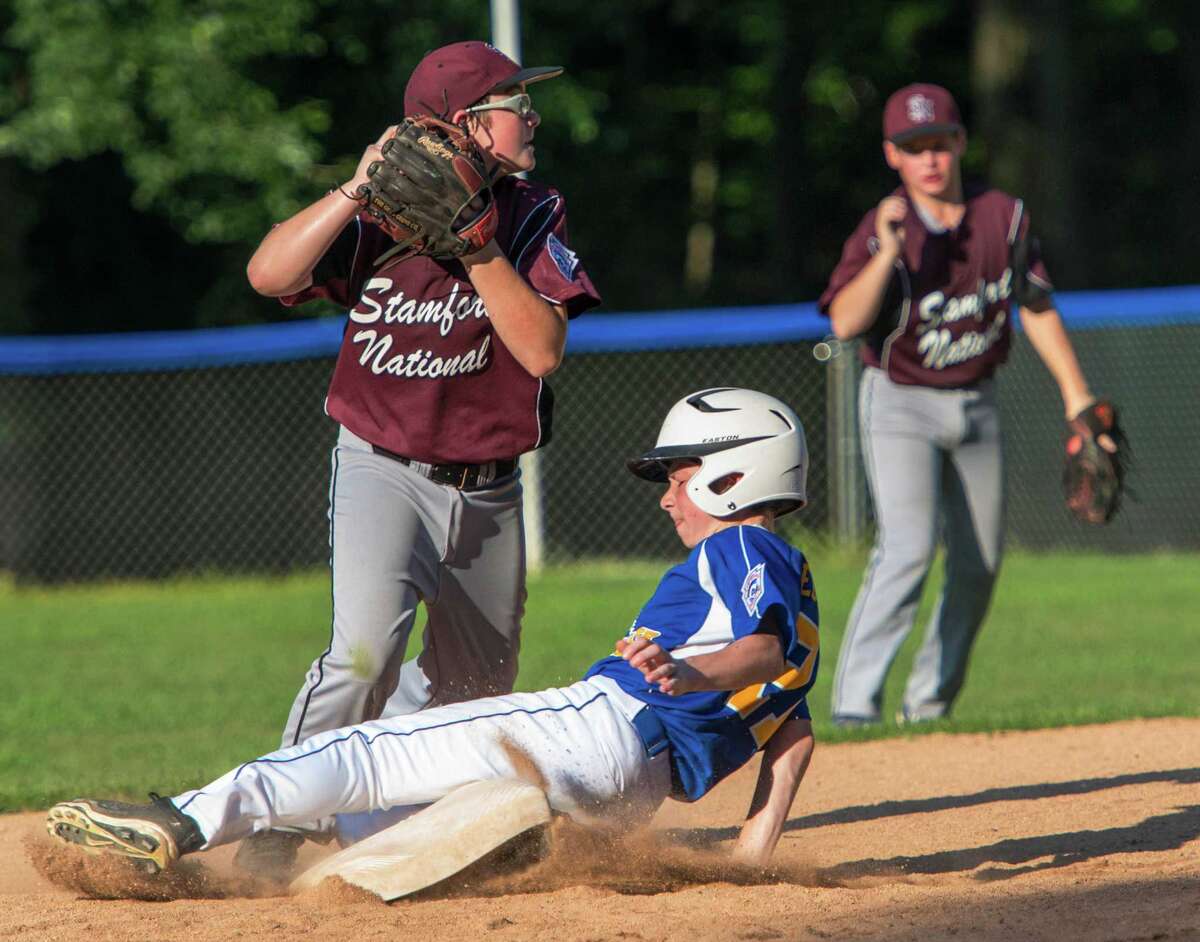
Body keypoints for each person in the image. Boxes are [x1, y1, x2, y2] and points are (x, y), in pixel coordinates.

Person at [45, 388, 819, 874]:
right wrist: (752, 852)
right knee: (380, 821)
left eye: (681, 481)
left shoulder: (740, 546)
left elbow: (760, 651)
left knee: (362, 752)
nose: (667, 500)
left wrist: (690, 675)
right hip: (633, 793)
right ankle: (344, 863)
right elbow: (793, 735)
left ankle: (179, 822)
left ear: (735, 476)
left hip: (600, 727)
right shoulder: (800, 589)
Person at [239, 42, 601, 871]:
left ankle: (420, 827)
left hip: (489, 487)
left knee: (476, 691)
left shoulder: (532, 210)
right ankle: (280, 820)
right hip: (382, 466)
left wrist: (478, 246)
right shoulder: (378, 218)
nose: (533, 115)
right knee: (364, 652)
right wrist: (354, 187)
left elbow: (542, 350)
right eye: (516, 101)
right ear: (469, 122)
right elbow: (268, 273)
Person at [820, 83, 1114, 725]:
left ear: (960, 144)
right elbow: (844, 322)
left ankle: (927, 709)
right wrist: (891, 250)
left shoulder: (1002, 216)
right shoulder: (883, 225)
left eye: (940, 143)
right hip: (901, 403)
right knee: (909, 548)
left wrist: (1077, 396)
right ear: (892, 156)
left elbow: (1034, 305)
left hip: (977, 402)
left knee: (980, 563)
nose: (929, 159)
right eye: (913, 147)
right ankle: (854, 710)